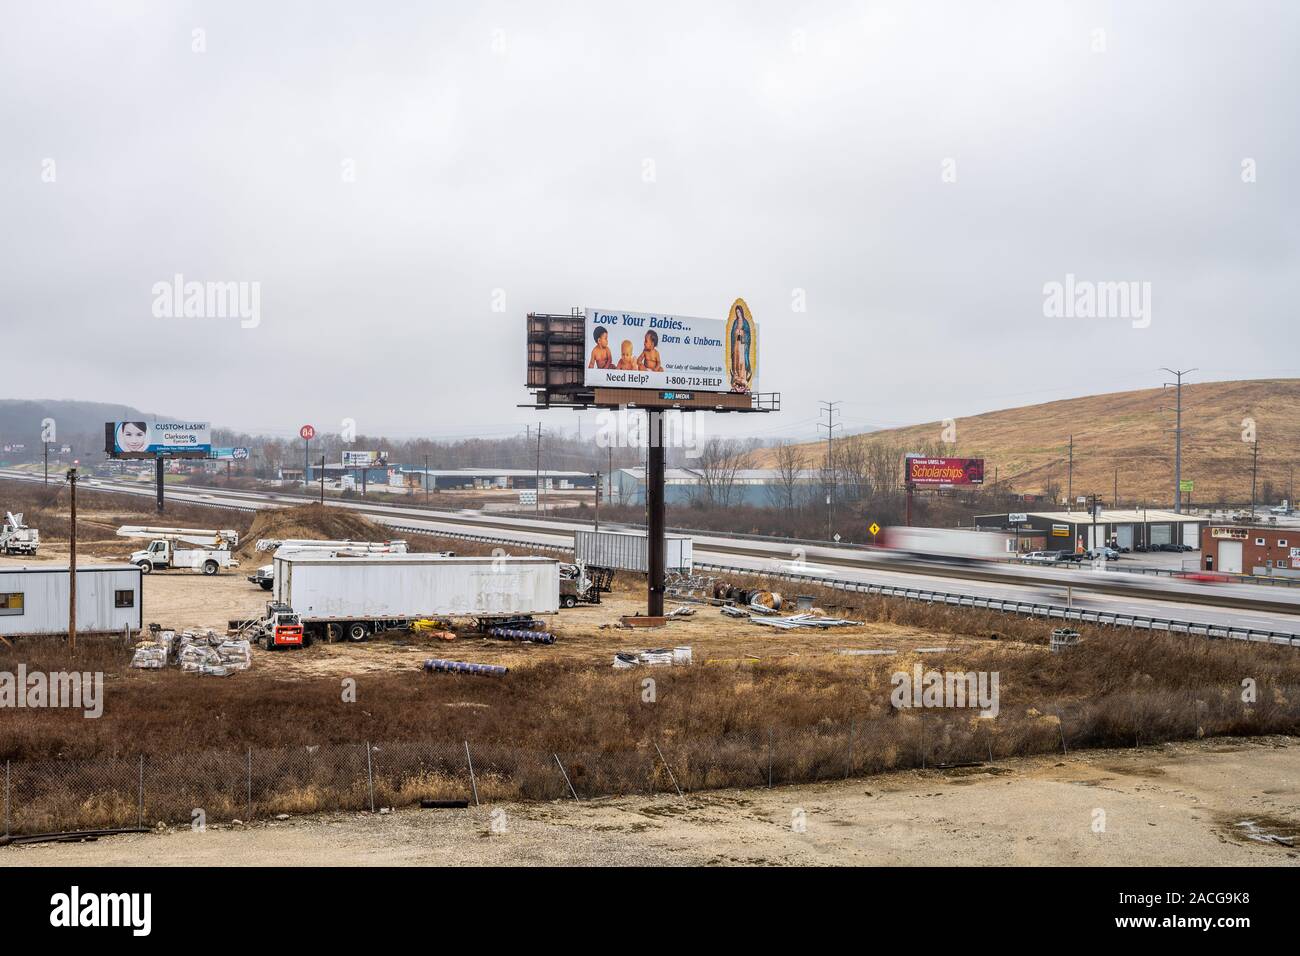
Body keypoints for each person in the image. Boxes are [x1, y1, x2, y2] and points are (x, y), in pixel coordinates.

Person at [729, 305, 752, 391]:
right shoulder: (735, 322)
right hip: (736, 344)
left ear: (741, 312)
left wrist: (742, 332)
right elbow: (732, 334)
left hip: (742, 345)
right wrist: (736, 332)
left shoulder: (745, 323)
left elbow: (748, 335)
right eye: (736, 312)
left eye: (739, 312)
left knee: (741, 361)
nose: (738, 314)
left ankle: (742, 377)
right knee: (736, 360)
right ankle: (736, 375)